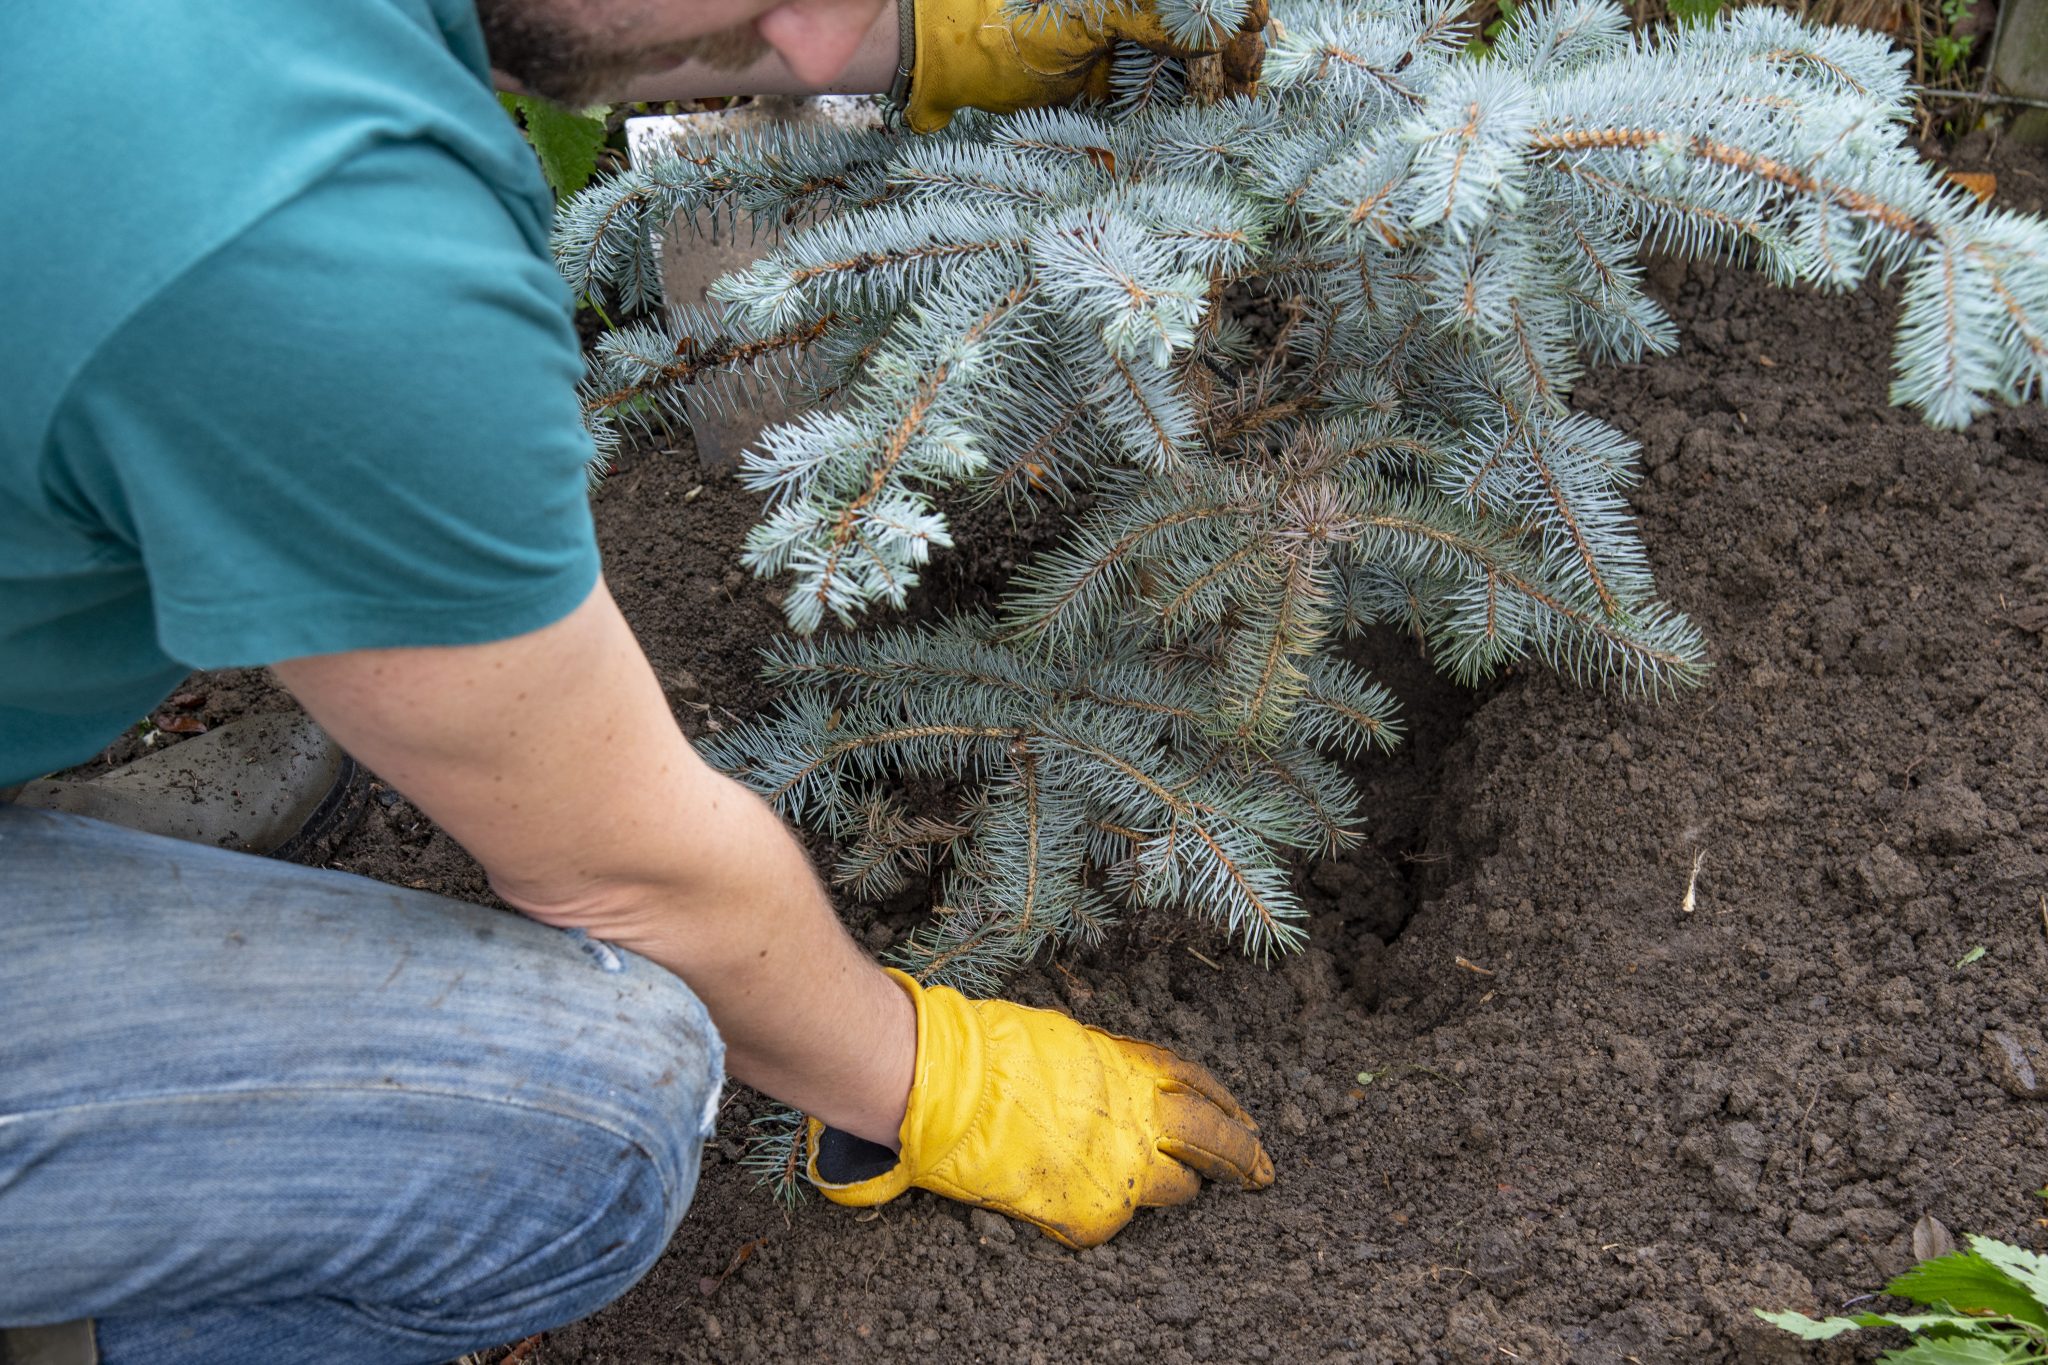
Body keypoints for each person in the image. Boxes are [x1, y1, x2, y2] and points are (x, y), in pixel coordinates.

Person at [0, 2, 1273, 1361]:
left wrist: (908, 37)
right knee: (596, 1116)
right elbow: (623, 871)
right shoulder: (312, 236)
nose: (808, 11)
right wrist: (937, 1079)